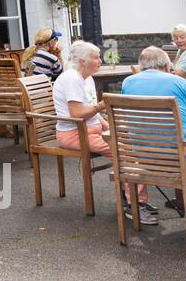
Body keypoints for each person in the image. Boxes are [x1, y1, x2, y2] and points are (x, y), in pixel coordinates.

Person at [121, 46, 186, 228]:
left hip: (143, 158)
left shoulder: (128, 83)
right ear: (168, 65)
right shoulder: (178, 82)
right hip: (180, 160)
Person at [53, 40, 151, 224]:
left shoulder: (87, 78)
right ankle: (135, 205)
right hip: (76, 134)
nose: (100, 61)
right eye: (96, 57)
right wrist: (103, 104)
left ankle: (130, 197)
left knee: (134, 144)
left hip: (92, 130)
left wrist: (109, 126)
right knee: (126, 152)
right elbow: (77, 114)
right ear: (82, 61)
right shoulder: (71, 79)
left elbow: (93, 112)